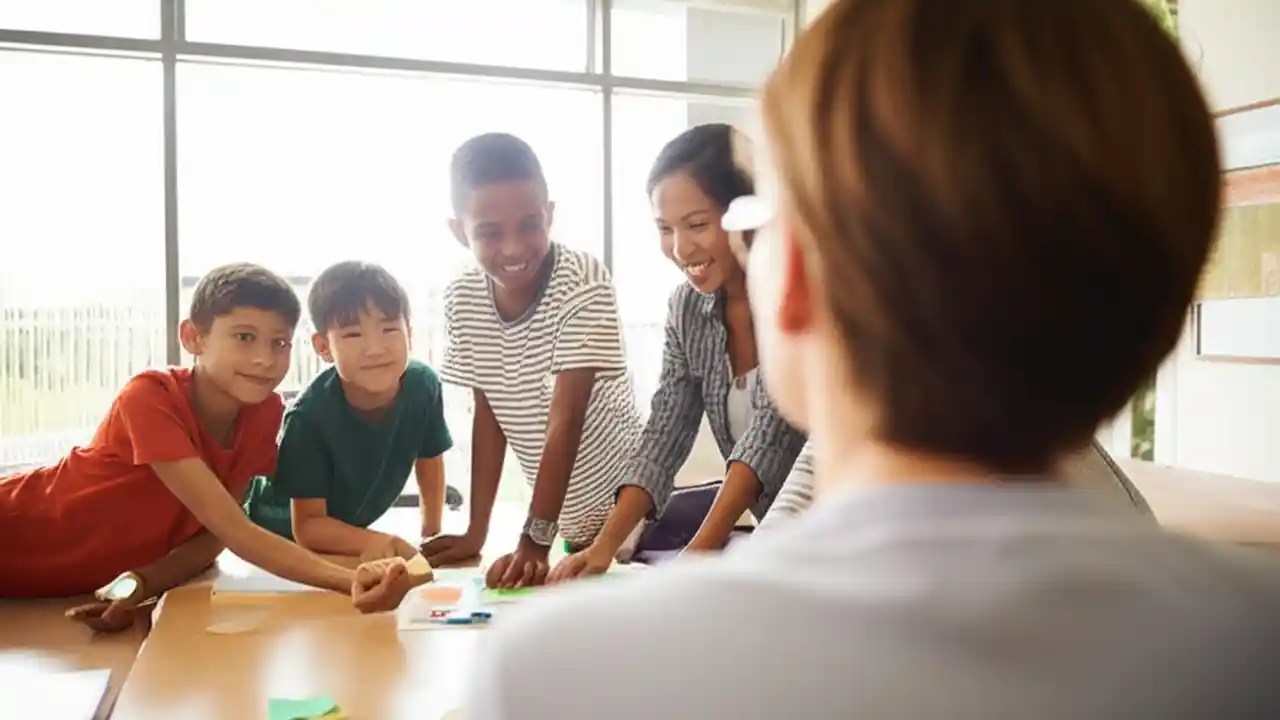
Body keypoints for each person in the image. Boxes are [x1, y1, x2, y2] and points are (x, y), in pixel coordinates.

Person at [466, 1, 1280, 717]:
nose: (689, 249)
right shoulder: (1252, 649)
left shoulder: (559, 676)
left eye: (746, 217)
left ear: (792, 285)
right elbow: (676, 435)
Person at [0, 263, 420, 629]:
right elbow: (238, 533)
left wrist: (136, 586)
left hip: (48, 587)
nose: (264, 359)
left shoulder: (263, 414)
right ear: (193, 337)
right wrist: (350, 580)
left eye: (279, 343)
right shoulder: (150, 397)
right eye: (243, 337)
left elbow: (211, 540)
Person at [548, 123, 806, 583]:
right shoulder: (686, 308)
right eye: (665, 229)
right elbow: (664, 433)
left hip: (835, 531)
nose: (681, 248)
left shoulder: (793, 296)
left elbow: (769, 436)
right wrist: (604, 547)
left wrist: (699, 553)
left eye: (697, 225)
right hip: (779, 543)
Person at [421, 133, 644, 589]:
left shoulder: (583, 281)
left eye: (529, 225)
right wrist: (476, 531)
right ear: (459, 231)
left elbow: (567, 419)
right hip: (572, 529)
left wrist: (534, 539)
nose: (514, 247)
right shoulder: (462, 298)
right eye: (489, 232)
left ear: (550, 215)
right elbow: (490, 414)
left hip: (635, 514)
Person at [243, 261, 453, 560]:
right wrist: (382, 542)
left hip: (343, 530)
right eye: (353, 335)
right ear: (323, 347)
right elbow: (308, 527)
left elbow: (430, 459)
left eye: (389, 329)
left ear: (410, 333)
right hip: (276, 536)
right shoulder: (308, 419)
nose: (376, 349)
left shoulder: (423, 385)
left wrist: (432, 534)